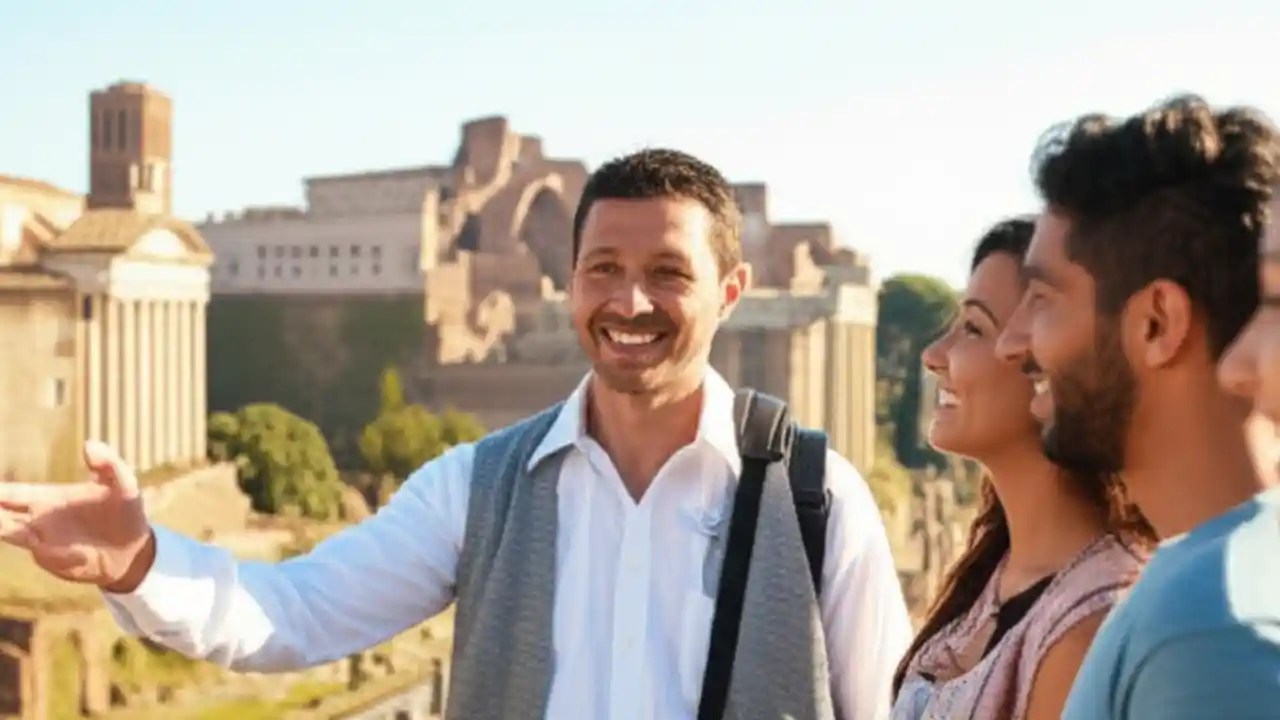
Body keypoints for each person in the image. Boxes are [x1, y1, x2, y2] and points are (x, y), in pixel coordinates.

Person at [0, 148, 912, 720]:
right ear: (570, 282)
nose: (630, 301)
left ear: (730, 291)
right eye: (603, 268)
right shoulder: (476, 489)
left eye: (668, 273)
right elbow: (297, 611)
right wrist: (139, 562)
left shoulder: (818, 499)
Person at [995, 94, 1280, 719]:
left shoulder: (1209, 623)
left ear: (1157, 323)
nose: (1011, 342)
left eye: (1041, 299)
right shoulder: (1203, 588)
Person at [890, 218, 1153, 720]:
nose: (933, 355)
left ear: (1046, 359)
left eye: (973, 328)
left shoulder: (1091, 618)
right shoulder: (997, 576)